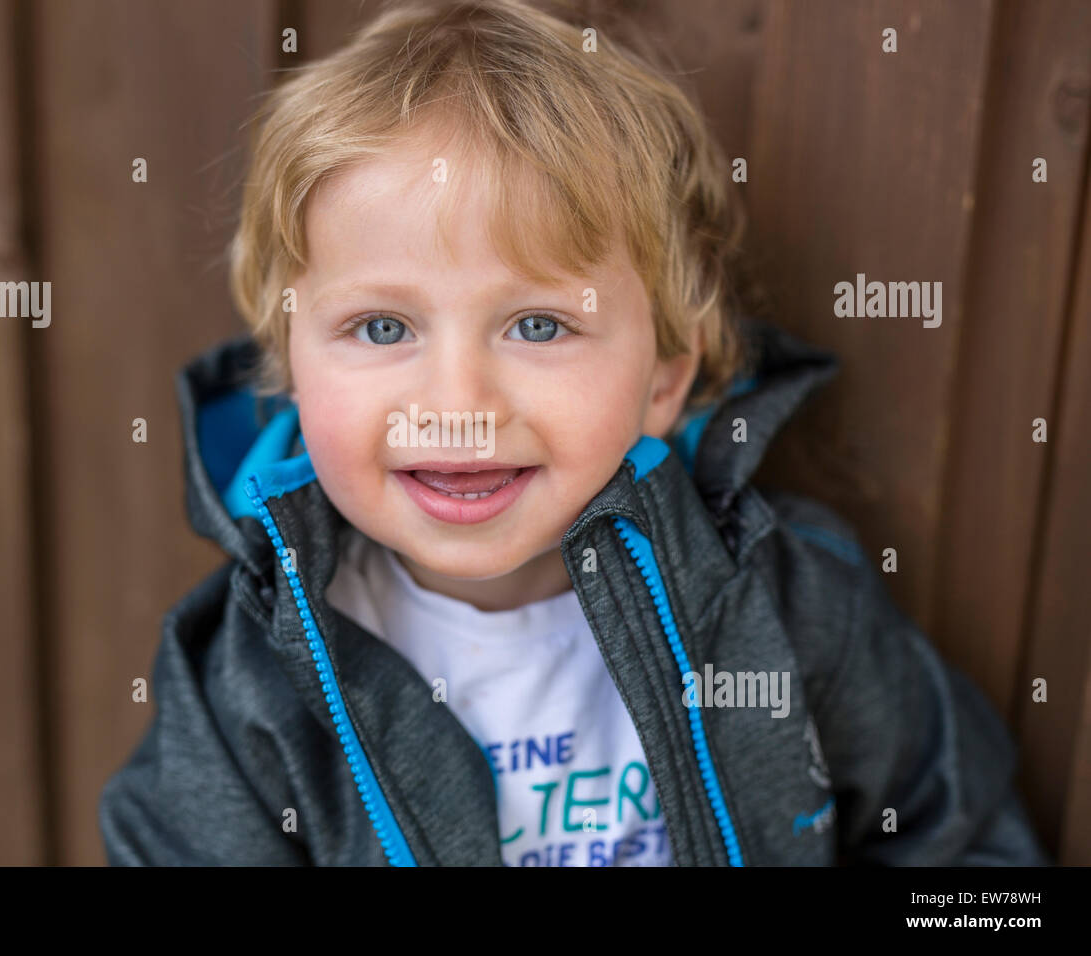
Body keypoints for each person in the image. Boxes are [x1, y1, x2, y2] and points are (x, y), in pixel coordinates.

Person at [99, 0, 1049, 865]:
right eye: (383, 327)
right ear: (291, 368)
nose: (457, 401)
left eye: (539, 325)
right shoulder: (252, 681)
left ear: (664, 380)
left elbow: (958, 843)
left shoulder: (782, 605)